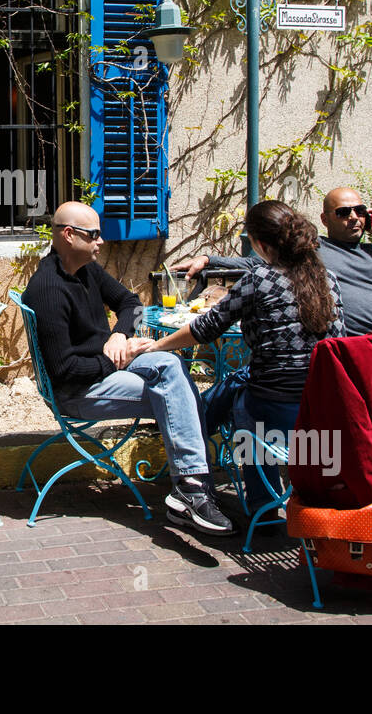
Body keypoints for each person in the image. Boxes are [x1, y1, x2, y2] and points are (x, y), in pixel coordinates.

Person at [174, 186, 372, 429]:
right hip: (347, 355)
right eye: (343, 211)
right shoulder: (312, 252)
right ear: (325, 220)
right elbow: (258, 263)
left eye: (360, 210)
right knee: (250, 381)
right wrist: (210, 261)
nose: (354, 217)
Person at [21, 201, 234, 536]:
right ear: (68, 235)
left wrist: (119, 335)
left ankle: (191, 483)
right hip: (78, 392)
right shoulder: (48, 289)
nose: (101, 242)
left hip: (106, 371)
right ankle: (194, 486)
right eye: (93, 235)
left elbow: (131, 303)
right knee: (176, 387)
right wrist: (114, 359)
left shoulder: (86, 269)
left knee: (170, 363)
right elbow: (64, 370)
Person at [136, 200, 344, 512]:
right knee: (237, 386)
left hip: (276, 403)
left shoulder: (259, 281)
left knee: (240, 401)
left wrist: (157, 346)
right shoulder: (327, 280)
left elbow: (205, 328)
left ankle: (252, 502)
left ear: (259, 244)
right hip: (325, 403)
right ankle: (201, 469)